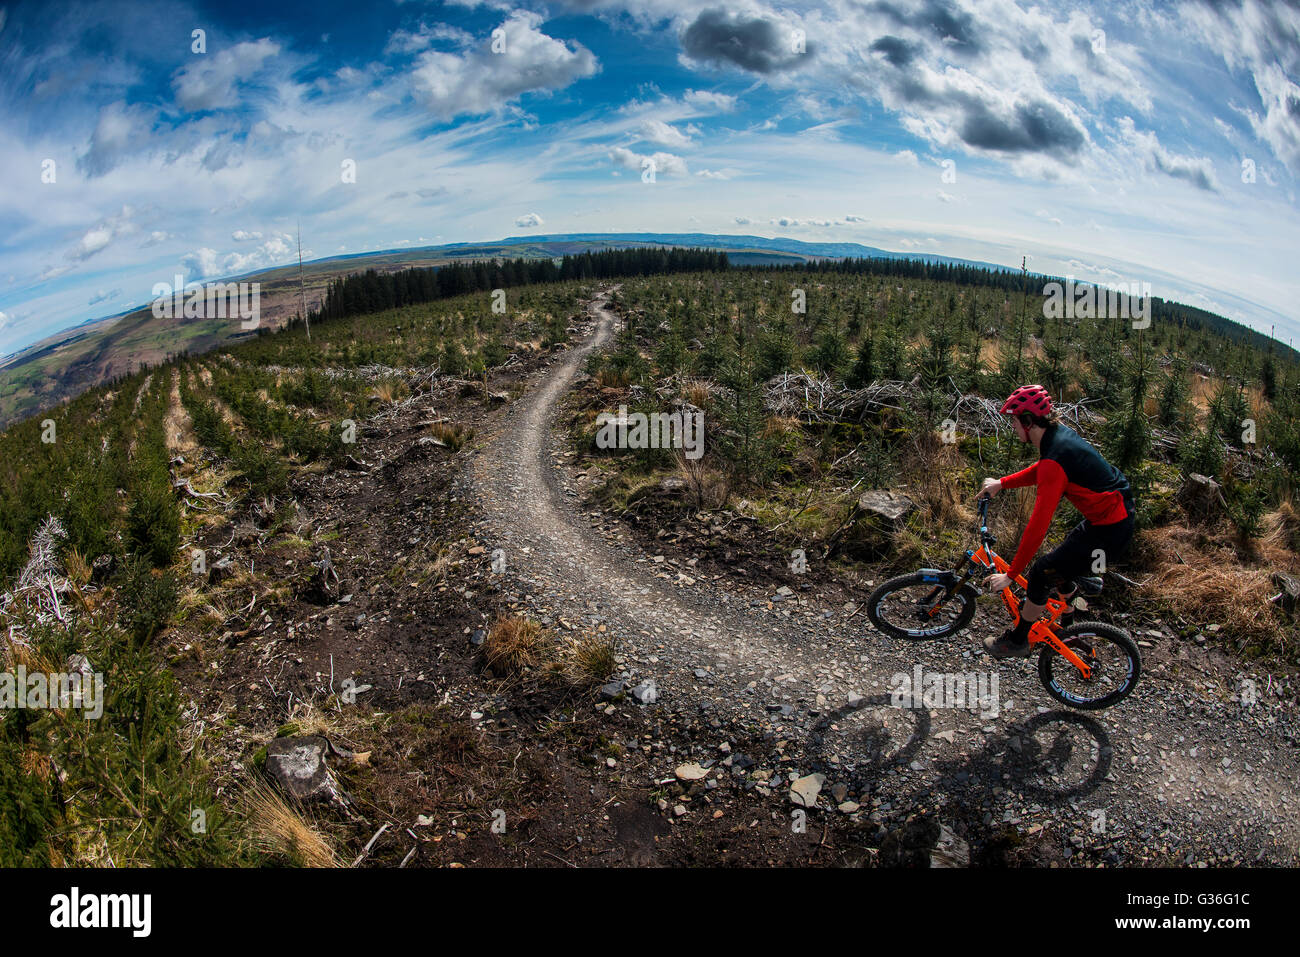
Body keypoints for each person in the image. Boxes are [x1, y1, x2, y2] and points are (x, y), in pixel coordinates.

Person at [977, 384, 1136, 658]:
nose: (1012, 426)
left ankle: (1017, 641)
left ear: (1028, 421)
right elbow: (1043, 469)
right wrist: (1002, 484)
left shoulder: (1055, 455)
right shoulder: (1056, 438)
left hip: (1110, 530)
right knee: (1061, 562)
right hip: (1109, 519)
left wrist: (1011, 575)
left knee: (1041, 572)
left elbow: (1038, 526)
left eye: (1014, 420)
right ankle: (1069, 626)